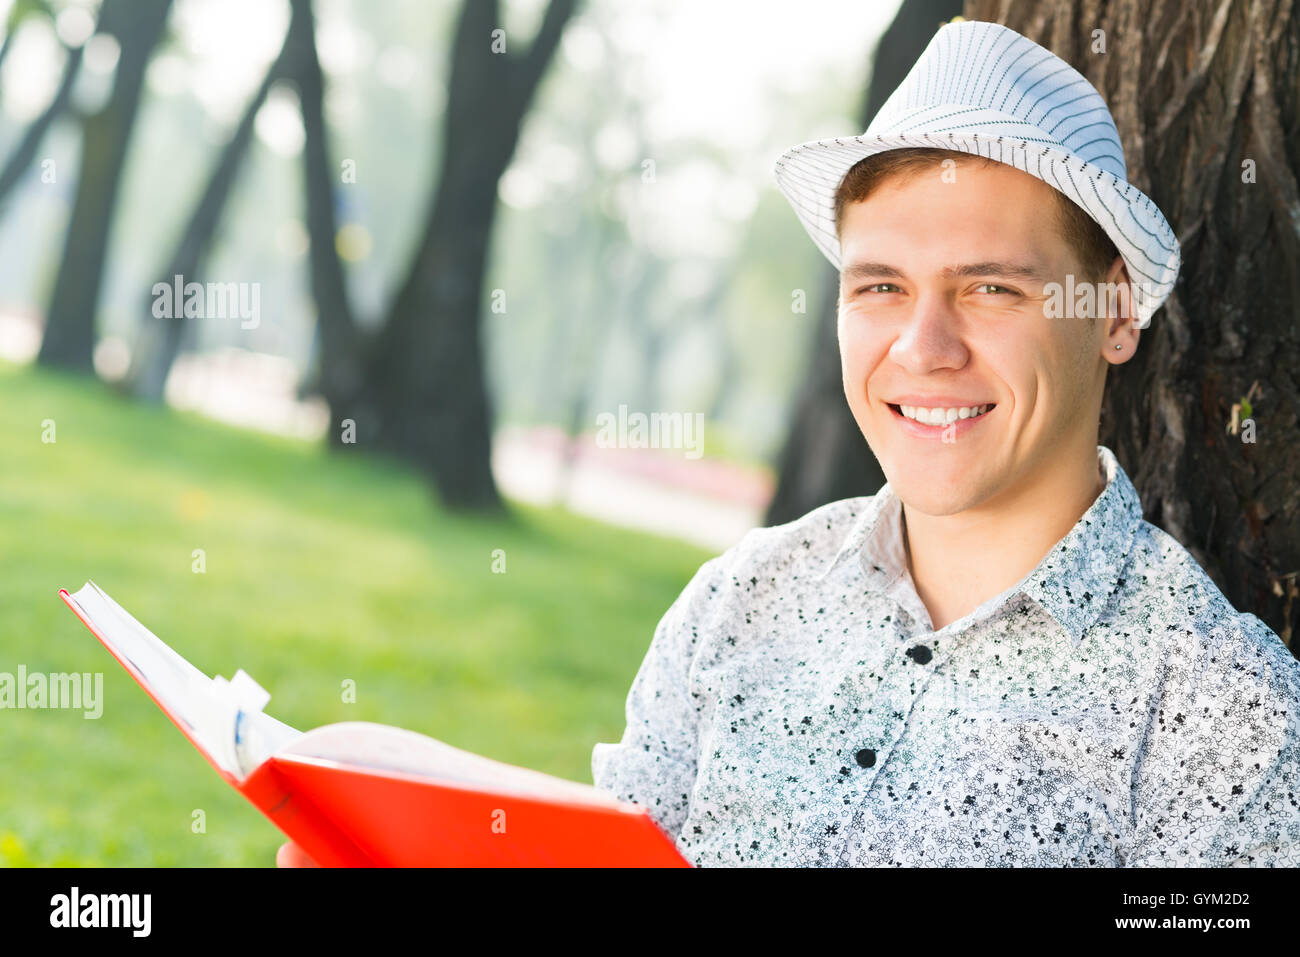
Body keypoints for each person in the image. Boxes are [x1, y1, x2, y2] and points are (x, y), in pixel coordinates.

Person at [589, 19, 1300, 866]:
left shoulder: (1228, 714)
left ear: (1113, 312)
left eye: (991, 287)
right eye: (882, 285)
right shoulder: (735, 605)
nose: (923, 349)